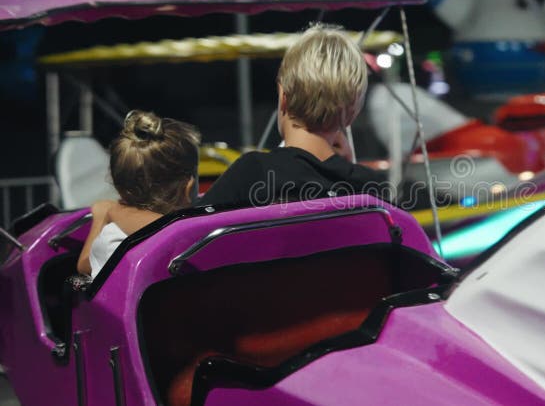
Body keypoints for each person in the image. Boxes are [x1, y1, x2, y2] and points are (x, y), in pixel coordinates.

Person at [197, 23, 386, 208]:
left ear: (283, 97)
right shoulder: (371, 188)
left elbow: (189, 234)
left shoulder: (253, 172)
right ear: (352, 114)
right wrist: (347, 169)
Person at [77, 110, 201, 278]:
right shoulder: (198, 237)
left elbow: (85, 265)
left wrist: (105, 216)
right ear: (188, 187)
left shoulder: (112, 237)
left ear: (119, 186)